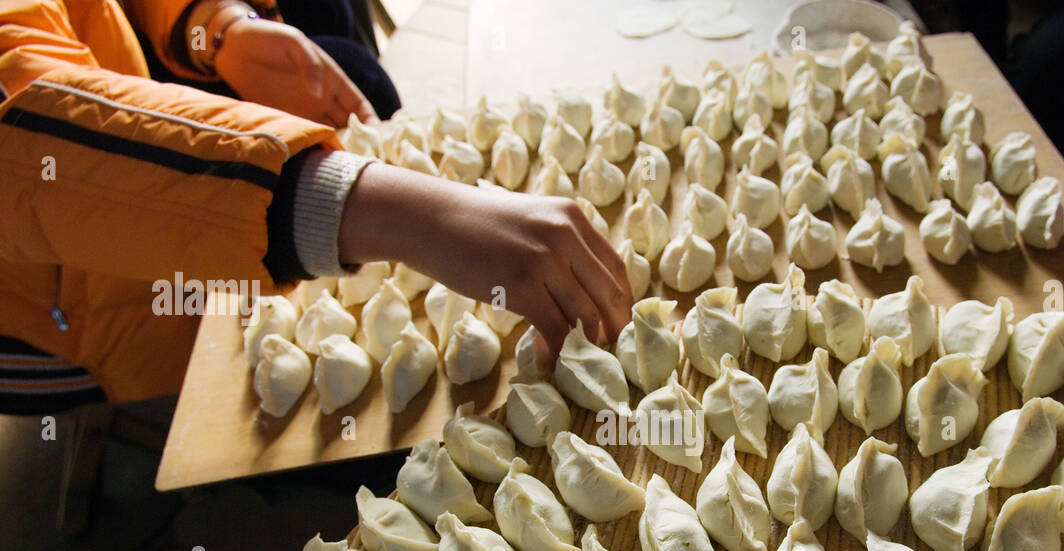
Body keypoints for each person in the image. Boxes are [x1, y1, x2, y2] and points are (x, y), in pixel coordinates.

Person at [0, 0, 630, 404]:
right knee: (376, 424)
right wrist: (379, 208)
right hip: (77, 288)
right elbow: (28, 142)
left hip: (125, 97)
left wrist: (216, 29)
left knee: (350, 60)